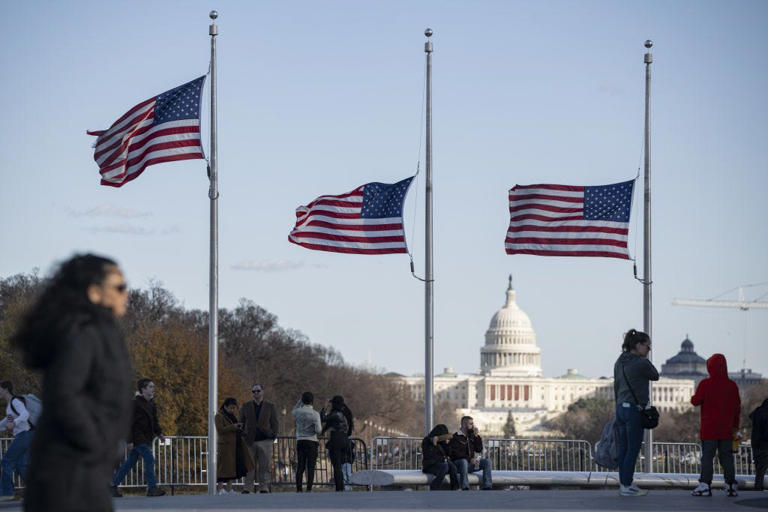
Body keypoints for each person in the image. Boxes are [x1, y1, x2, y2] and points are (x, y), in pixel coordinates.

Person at [11, 254, 133, 512]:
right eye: (119, 287)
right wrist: (95, 442)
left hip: (82, 469)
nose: (127, 293)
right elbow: (63, 394)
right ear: (94, 291)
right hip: (68, 472)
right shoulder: (82, 332)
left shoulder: (101, 330)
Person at [613, 328, 658, 497]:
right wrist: (645, 360)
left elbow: (616, 386)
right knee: (632, 449)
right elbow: (655, 375)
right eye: (647, 346)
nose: (648, 350)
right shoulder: (641, 363)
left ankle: (625, 483)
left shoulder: (620, 361)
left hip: (620, 408)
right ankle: (626, 485)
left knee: (624, 449)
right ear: (638, 345)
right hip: (633, 410)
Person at [690, 353, 741, 497]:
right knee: (727, 457)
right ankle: (730, 485)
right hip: (727, 429)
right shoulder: (732, 386)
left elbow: (695, 401)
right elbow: (737, 408)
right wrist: (735, 427)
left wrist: (695, 396)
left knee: (707, 457)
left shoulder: (705, 384)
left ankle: (705, 485)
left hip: (709, 429)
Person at [111, 378, 166, 497]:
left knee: (129, 463)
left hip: (146, 438)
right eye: (150, 387)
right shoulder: (134, 404)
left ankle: (112, 486)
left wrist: (160, 434)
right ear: (143, 389)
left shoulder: (152, 404)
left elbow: (154, 422)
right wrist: (129, 440)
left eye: (153, 387)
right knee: (150, 459)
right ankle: (152, 488)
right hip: (137, 437)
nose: (153, 389)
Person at [239, 383, 278, 493]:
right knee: (249, 466)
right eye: (253, 391)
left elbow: (275, 423)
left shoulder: (270, 406)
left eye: (258, 391)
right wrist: (243, 435)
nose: (256, 393)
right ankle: (247, 487)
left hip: (265, 440)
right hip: (249, 440)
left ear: (262, 392)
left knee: (264, 466)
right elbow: (240, 421)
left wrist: (272, 435)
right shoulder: (246, 406)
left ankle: (263, 487)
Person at [0, 382, 32, 501]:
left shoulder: (15, 401)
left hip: (24, 435)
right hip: (24, 436)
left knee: (6, 461)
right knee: (21, 465)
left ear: (6, 389)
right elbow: (5, 422)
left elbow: (25, 414)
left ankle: (6, 493)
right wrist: (11, 423)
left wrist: (14, 423)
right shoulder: (10, 406)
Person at [215, 398, 254, 495]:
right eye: (230, 408)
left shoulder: (232, 416)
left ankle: (229, 489)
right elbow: (220, 430)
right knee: (223, 468)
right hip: (225, 445)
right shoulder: (219, 416)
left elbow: (234, 428)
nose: (232, 410)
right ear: (225, 406)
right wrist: (234, 426)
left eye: (234, 408)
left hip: (235, 445)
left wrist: (241, 429)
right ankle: (220, 489)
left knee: (233, 468)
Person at [448, 416, 492, 490]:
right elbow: (455, 453)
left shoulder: (471, 436)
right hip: (459, 465)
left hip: (470, 464)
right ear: (464, 425)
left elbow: (478, 449)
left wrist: (476, 436)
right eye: (471, 424)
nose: (473, 426)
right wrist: (469, 459)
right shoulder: (455, 437)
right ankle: (465, 486)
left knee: (487, 462)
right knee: (464, 461)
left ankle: (487, 485)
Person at [291, 392, 322, 492]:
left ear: (302, 401)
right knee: (311, 466)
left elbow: (293, 411)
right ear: (312, 401)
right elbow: (318, 430)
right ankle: (309, 488)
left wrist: (300, 401)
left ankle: (299, 488)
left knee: (300, 466)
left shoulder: (298, 412)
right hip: (312, 441)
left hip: (300, 440)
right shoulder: (315, 414)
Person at [321, 395, 350, 491]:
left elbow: (323, 418)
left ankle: (339, 488)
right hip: (344, 440)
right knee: (340, 466)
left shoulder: (336, 414)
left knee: (337, 466)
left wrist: (325, 406)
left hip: (336, 440)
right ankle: (341, 486)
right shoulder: (344, 413)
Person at [421, 424, 458, 490]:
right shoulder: (427, 440)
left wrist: (447, 444)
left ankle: (455, 488)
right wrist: (434, 445)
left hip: (441, 464)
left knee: (453, 467)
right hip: (430, 465)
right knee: (445, 466)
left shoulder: (442, 442)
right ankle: (434, 486)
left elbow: (449, 454)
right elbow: (429, 455)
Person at [750, 398, 768, 491]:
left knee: (759, 468)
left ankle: (758, 486)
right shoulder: (766, 415)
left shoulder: (757, 412)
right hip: (764, 445)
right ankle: (758, 487)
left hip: (755, 443)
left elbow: (750, 417)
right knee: (762, 467)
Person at [340, 401, 355, 490]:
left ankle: (347, 486)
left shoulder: (341, 416)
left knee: (345, 471)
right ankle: (347, 486)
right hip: (347, 456)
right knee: (346, 471)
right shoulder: (347, 416)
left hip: (345, 455)